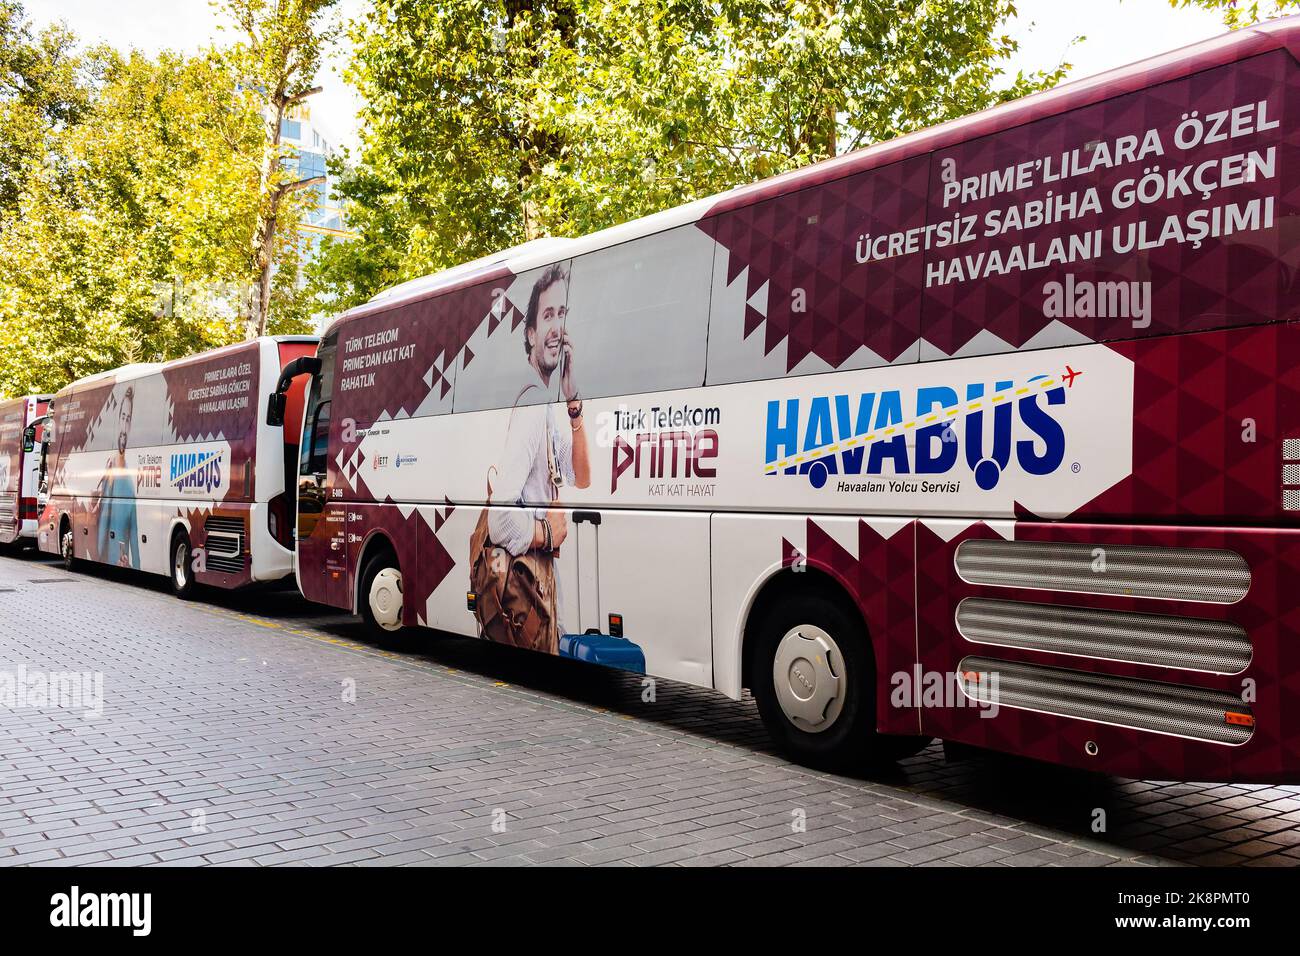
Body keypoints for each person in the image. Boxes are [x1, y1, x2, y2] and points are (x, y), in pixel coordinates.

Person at [485, 263, 591, 651]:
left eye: (563, 314)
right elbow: (500, 520)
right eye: (548, 315)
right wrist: (548, 533)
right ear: (530, 334)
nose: (558, 327)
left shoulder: (547, 406)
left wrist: (573, 403)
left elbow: (580, 477)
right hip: (528, 582)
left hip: (539, 581)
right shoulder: (531, 406)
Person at [96, 385, 139, 569]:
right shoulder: (106, 467)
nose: (124, 425)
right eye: (122, 417)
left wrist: (130, 565)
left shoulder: (130, 485)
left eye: (128, 419)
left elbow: (135, 543)